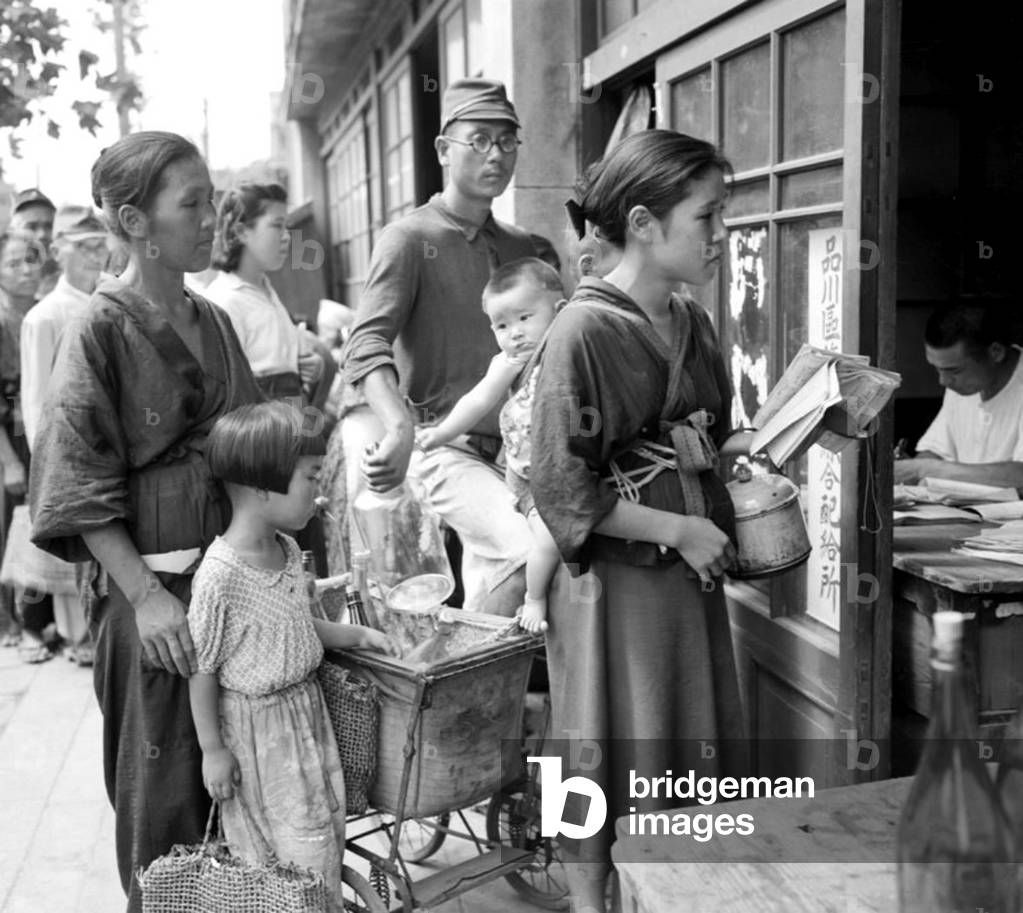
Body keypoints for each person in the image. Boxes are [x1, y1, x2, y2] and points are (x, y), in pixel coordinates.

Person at [28, 131, 263, 913]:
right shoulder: (97, 330)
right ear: (133, 221)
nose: (210, 218)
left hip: (234, 588)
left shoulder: (216, 319)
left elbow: (252, 444)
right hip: (153, 601)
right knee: (165, 801)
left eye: (211, 199)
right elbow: (72, 479)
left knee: (245, 791)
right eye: (190, 204)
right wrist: (147, 597)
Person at [530, 130, 753, 913]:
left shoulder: (691, 322)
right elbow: (559, 485)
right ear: (644, 224)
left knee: (679, 743)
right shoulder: (580, 332)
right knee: (596, 752)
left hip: (686, 580)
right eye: (707, 216)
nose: (721, 234)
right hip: (609, 587)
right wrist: (678, 531)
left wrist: (787, 431)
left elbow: (718, 432)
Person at [188, 402, 394, 910]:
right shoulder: (220, 577)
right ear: (261, 485)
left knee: (321, 839)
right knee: (277, 859)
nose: (318, 491)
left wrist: (357, 637)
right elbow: (202, 668)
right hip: (259, 737)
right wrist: (212, 750)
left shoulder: (285, 549)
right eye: (309, 477)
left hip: (307, 716)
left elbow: (298, 627)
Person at [340, 77, 535, 614]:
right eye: (479, 140)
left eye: (508, 141)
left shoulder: (524, 247)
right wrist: (400, 427)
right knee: (526, 552)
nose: (496, 154)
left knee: (498, 589)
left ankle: (469, 692)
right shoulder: (409, 239)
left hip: (522, 454)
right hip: (448, 448)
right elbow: (365, 343)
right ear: (443, 149)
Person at [418, 258, 563, 631]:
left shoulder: (567, 351)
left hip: (558, 470)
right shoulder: (508, 363)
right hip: (524, 475)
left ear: (560, 310)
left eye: (525, 318)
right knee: (538, 545)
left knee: (498, 569)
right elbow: (478, 400)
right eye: (501, 325)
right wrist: (442, 433)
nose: (514, 333)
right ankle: (534, 601)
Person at [19, 206, 110, 666]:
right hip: (69, 450)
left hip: (108, 446)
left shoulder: (107, 304)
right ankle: (78, 639)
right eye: (83, 246)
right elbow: (35, 401)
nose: (96, 254)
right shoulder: (45, 316)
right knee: (77, 551)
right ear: (58, 251)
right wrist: (49, 464)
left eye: (100, 243)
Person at [204, 182, 329, 407]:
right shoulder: (225, 302)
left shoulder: (266, 290)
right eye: (277, 226)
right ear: (242, 231)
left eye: (287, 227)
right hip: (264, 433)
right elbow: (227, 395)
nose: (286, 237)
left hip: (293, 422)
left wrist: (311, 367)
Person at [894, 301, 1023, 489]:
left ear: (996, 352)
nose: (943, 381)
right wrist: (909, 468)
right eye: (938, 369)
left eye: (953, 371)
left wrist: (924, 469)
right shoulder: (963, 384)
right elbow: (936, 453)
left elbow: (1020, 477)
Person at [0, 228, 43, 649]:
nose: (26, 270)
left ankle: (37, 618)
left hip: (37, 431)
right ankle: (16, 623)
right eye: (14, 263)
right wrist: (10, 461)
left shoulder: (44, 312)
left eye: (31, 259)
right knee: (11, 527)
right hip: (10, 437)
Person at [9, 188, 59, 298]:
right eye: (31, 227)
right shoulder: (6, 285)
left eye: (49, 226)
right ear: (12, 232)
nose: (42, 234)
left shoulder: (74, 280)